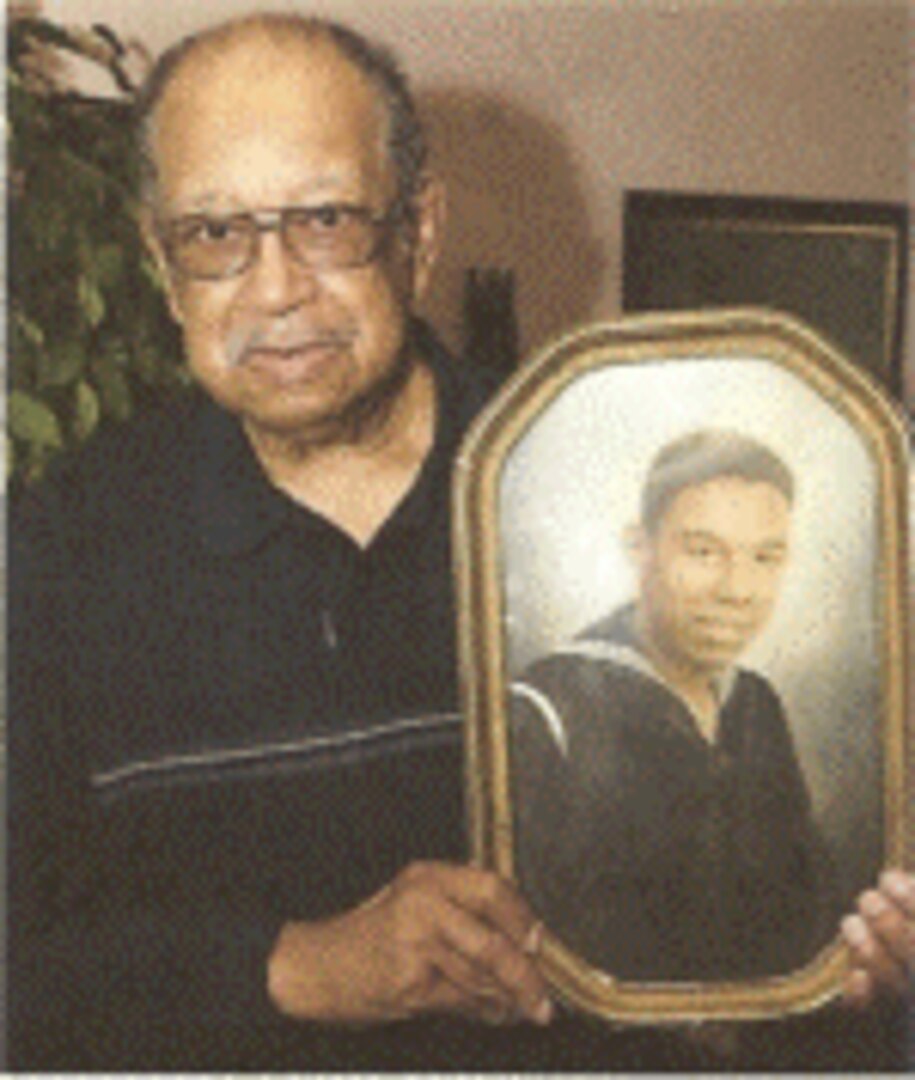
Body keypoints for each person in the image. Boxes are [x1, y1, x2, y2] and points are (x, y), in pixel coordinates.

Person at [7, 11, 913, 1072]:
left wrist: (860, 976)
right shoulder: (56, 555)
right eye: (214, 234)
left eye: (327, 220)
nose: (275, 288)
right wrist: (292, 967)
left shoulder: (583, 488)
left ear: (421, 231)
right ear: (162, 266)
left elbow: (749, 956)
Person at [511, 430, 838, 981]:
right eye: (704, 552)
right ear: (639, 548)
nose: (738, 590)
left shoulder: (756, 703)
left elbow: (809, 907)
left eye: (766, 557)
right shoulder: (547, 709)